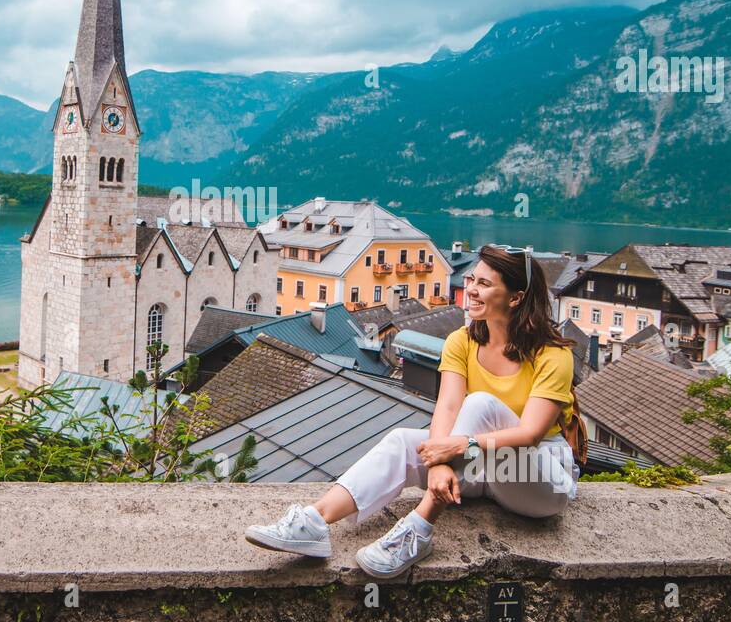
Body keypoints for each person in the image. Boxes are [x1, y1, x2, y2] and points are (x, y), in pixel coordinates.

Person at [244, 244, 581, 578]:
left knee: (480, 405)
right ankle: (314, 522)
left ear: (515, 298)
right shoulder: (462, 341)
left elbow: (530, 433)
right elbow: (447, 407)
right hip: (481, 471)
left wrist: (453, 450)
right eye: (472, 279)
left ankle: (419, 528)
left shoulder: (552, 354)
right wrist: (438, 464)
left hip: (533, 478)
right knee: (403, 440)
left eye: (485, 284)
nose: (472, 290)